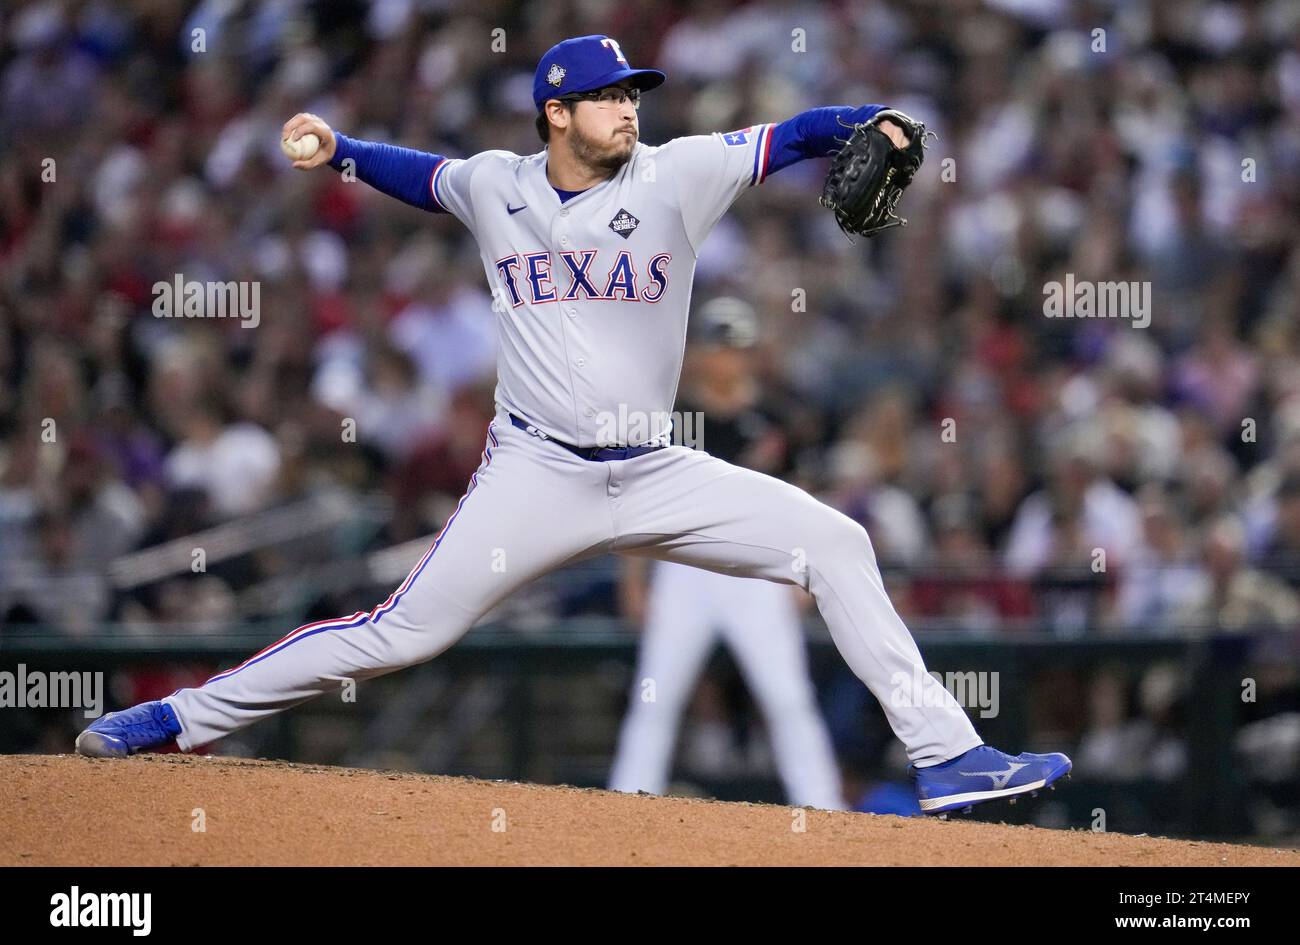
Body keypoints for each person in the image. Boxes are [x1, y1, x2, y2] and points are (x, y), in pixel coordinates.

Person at [76, 34, 1070, 817]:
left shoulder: (677, 174)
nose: (629, 108)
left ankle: (948, 756)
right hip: (534, 473)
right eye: (610, 96)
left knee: (836, 542)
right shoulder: (495, 184)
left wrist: (882, 121)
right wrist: (338, 150)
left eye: (635, 94)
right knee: (397, 635)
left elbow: (802, 132)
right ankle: (174, 718)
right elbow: (418, 174)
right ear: (557, 113)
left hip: (656, 468)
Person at [609, 297, 845, 810]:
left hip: (757, 575)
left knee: (786, 697)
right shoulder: (670, 418)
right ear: (698, 353)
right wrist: (633, 580)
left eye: (736, 348)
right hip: (684, 568)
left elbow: (803, 508)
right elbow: (638, 507)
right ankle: (623, 807)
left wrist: (803, 575)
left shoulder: (776, 419)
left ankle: (824, 809)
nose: (727, 358)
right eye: (719, 347)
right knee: (656, 696)